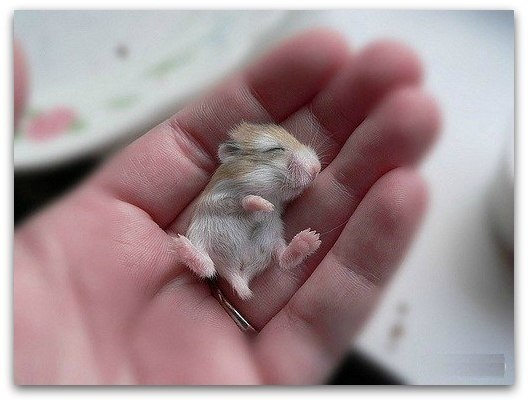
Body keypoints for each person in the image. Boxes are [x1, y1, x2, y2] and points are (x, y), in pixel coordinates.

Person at [13, 29, 440, 384]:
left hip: (256, 238)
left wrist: (266, 211)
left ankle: (279, 257)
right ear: (232, 158)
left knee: (273, 230)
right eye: (276, 152)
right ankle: (207, 259)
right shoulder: (226, 185)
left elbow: (271, 206)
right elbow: (231, 202)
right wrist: (251, 202)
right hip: (224, 227)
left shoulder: (274, 198)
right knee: (215, 225)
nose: (304, 165)